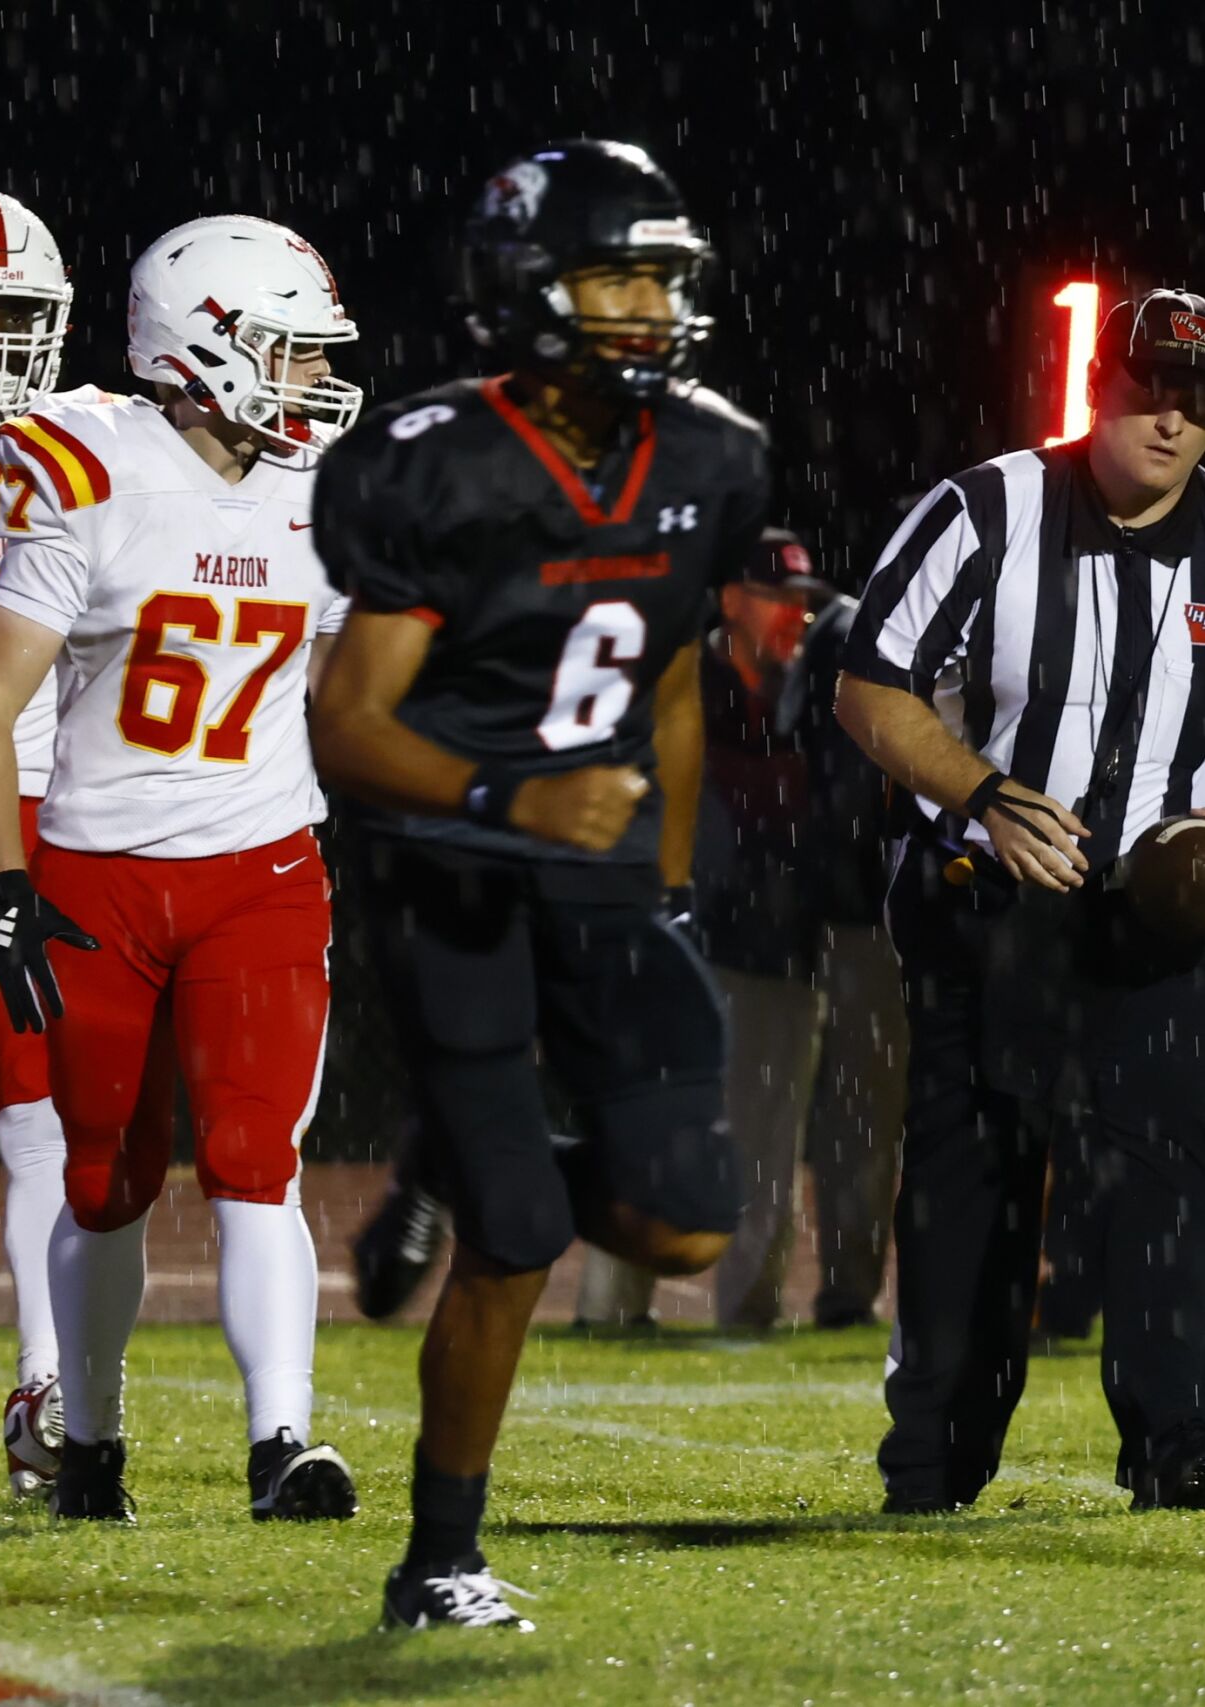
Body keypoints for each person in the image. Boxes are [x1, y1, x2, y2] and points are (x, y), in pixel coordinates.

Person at [311, 139, 770, 1630]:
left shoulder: (710, 452)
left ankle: (458, 1171)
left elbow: (681, 684)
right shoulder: (435, 456)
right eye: (615, 272)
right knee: (523, 1232)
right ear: (528, 288)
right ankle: (436, 1557)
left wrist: (672, 881)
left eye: (659, 275)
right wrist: (513, 792)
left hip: (605, 877)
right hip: (457, 869)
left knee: (688, 1224)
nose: (646, 304)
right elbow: (349, 724)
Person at [0, 214, 364, 1524]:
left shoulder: (323, 490)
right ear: (208, 345)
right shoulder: (82, 466)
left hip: (260, 864)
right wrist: (4, 884)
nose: (314, 380)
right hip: (98, 868)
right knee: (105, 1175)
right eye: (291, 352)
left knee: (259, 1152)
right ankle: (86, 1437)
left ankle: (284, 1442)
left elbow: (343, 688)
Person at [837, 287, 1205, 1512]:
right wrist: (986, 793)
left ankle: (1179, 1450)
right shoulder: (989, 506)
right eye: (1147, 384)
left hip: (1164, 913)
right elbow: (870, 688)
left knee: (1172, 1172)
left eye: (1195, 398)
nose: (1169, 414)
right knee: (974, 1178)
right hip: (989, 898)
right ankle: (934, 1459)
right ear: (1099, 382)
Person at [575, 529, 905, 1332]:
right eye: (775, 598)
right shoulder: (691, 676)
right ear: (731, 601)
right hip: (689, 925)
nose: (794, 613)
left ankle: (751, 1310)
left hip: (772, 933)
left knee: (769, 1131)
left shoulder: (806, 682)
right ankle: (611, 1307)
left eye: (801, 600)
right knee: (670, 1112)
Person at [0, 192, 118, 1497]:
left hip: (29, 800)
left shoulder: (86, 439)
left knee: (40, 1110)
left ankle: (42, 1380)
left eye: (11, 321)